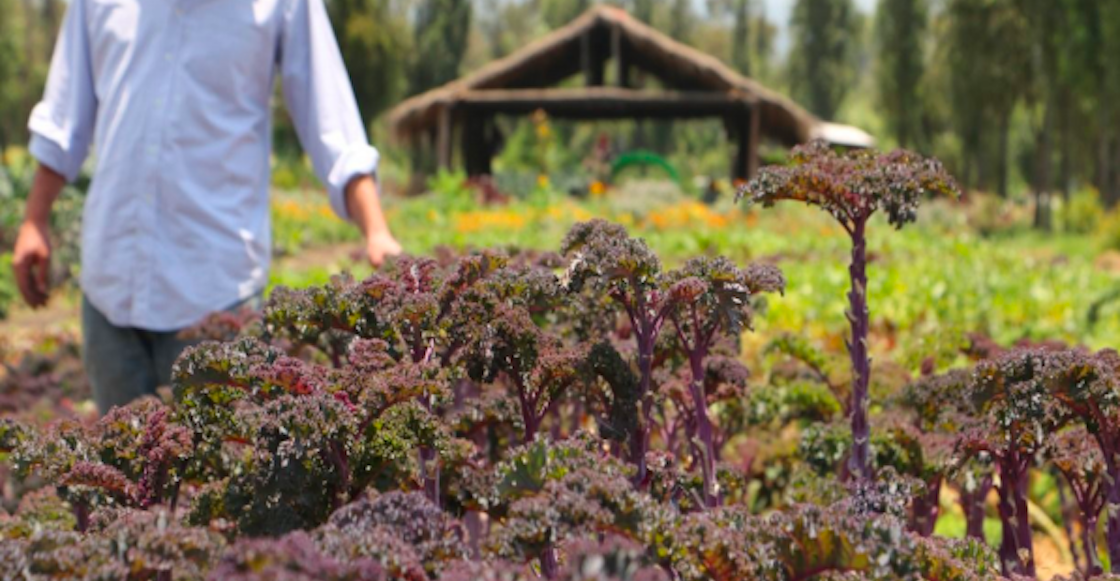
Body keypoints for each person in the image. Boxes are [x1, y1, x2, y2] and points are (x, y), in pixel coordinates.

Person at [10, 0, 401, 414]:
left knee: (217, 471)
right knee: (117, 469)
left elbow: (332, 123)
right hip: (111, 292)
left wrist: (376, 230)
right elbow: (64, 117)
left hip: (217, 301)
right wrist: (35, 219)